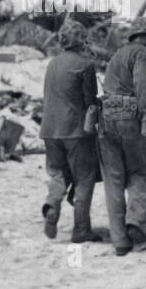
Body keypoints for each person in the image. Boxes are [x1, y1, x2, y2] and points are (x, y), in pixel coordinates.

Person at [98, 17, 146, 256]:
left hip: (106, 116)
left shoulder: (116, 55)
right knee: (139, 172)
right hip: (129, 116)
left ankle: (119, 241)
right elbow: (143, 84)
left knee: (113, 180)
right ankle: (134, 221)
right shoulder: (143, 54)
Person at [39, 19, 102, 243]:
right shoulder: (85, 65)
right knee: (84, 179)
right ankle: (81, 229)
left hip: (49, 129)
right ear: (82, 40)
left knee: (57, 173)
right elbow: (90, 102)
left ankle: (52, 206)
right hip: (75, 130)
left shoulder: (52, 63)